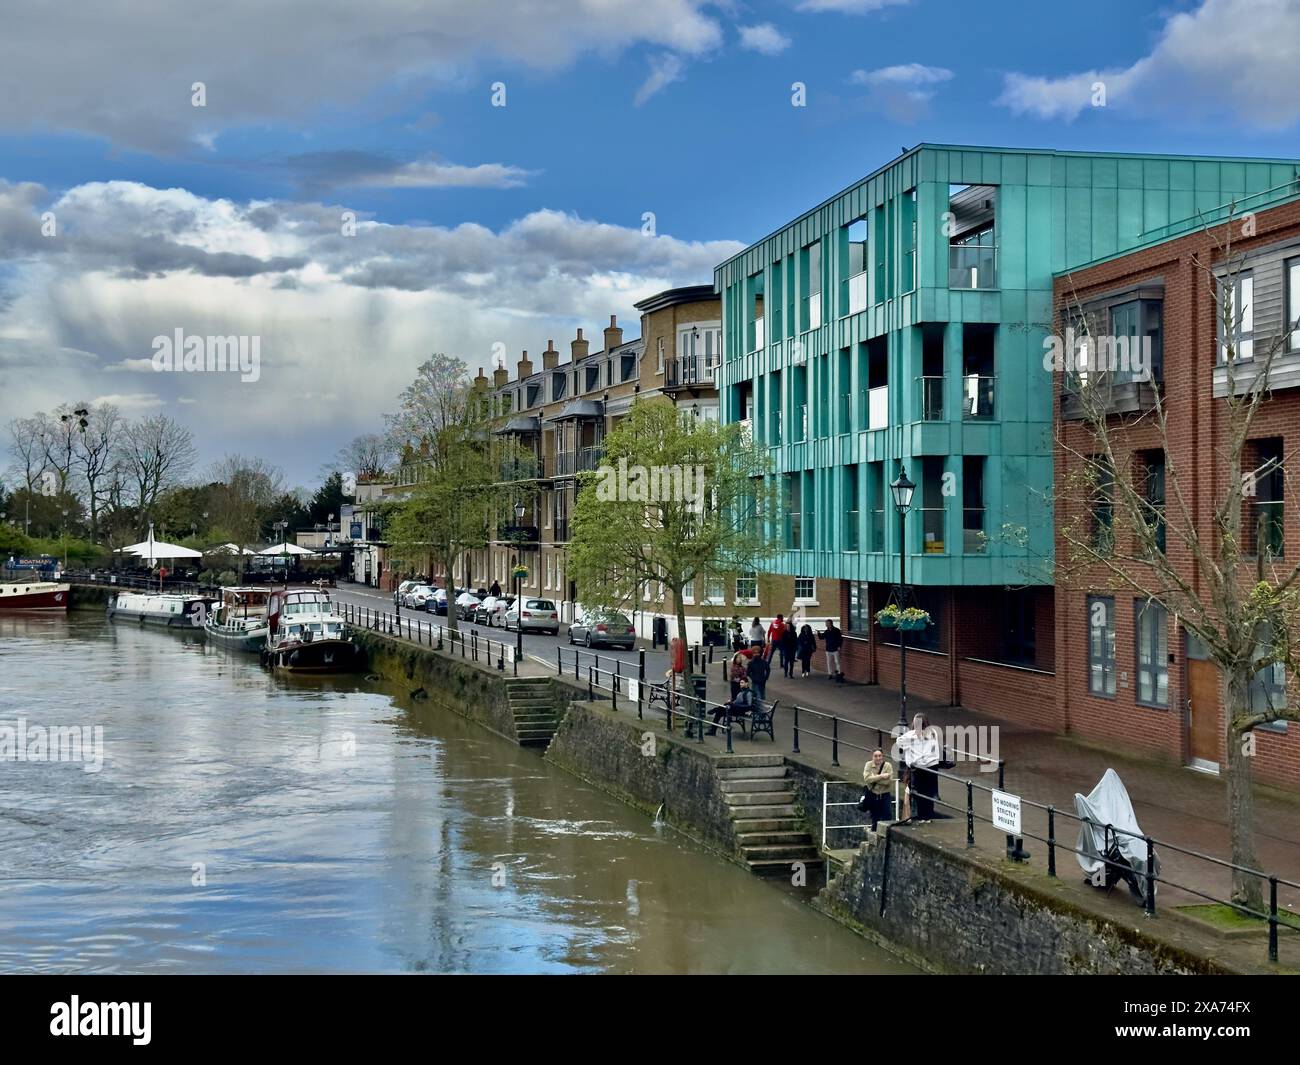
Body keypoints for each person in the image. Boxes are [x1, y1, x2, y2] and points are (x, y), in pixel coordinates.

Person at [898, 713, 942, 823]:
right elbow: (899, 742)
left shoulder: (931, 734)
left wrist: (916, 757)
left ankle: (926, 816)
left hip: (926, 768)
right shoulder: (911, 735)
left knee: (926, 793)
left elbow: (928, 754)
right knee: (921, 793)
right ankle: (924, 816)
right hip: (920, 769)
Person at [861, 749, 895, 831]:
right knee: (875, 817)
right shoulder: (868, 765)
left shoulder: (888, 765)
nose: (878, 758)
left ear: (882, 756)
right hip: (873, 794)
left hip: (885, 794)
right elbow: (867, 779)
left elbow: (889, 782)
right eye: (875, 756)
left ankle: (887, 834)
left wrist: (874, 777)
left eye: (880, 756)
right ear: (872, 757)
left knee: (887, 815)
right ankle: (874, 834)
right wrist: (882, 776)